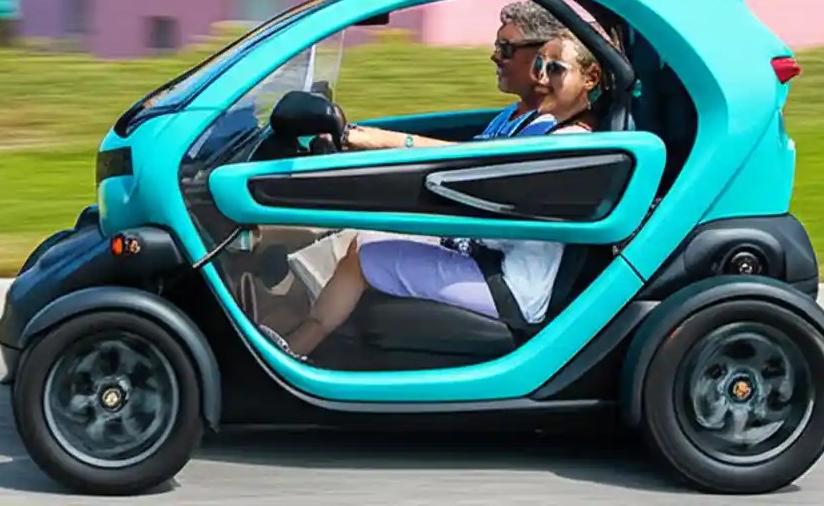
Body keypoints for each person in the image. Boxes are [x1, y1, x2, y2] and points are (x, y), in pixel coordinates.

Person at [259, 30, 610, 361]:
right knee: (361, 242)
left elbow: (483, 192)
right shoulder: (545, 128)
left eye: (555, 69)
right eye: (539, 65)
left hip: (509, 284)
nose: (540, 77)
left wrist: (381, 146)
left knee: (364, 255)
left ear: (591, 78)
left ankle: (295, 352)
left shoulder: (567, 144)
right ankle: (297, 337)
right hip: (487, 256)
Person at [340, 0, 568, 150]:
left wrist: (387, 141)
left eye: (506, 48)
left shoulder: (548, 128)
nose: (495, 57)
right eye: (496, 46)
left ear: (544, 53)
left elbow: (480, 166)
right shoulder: (514, 112)